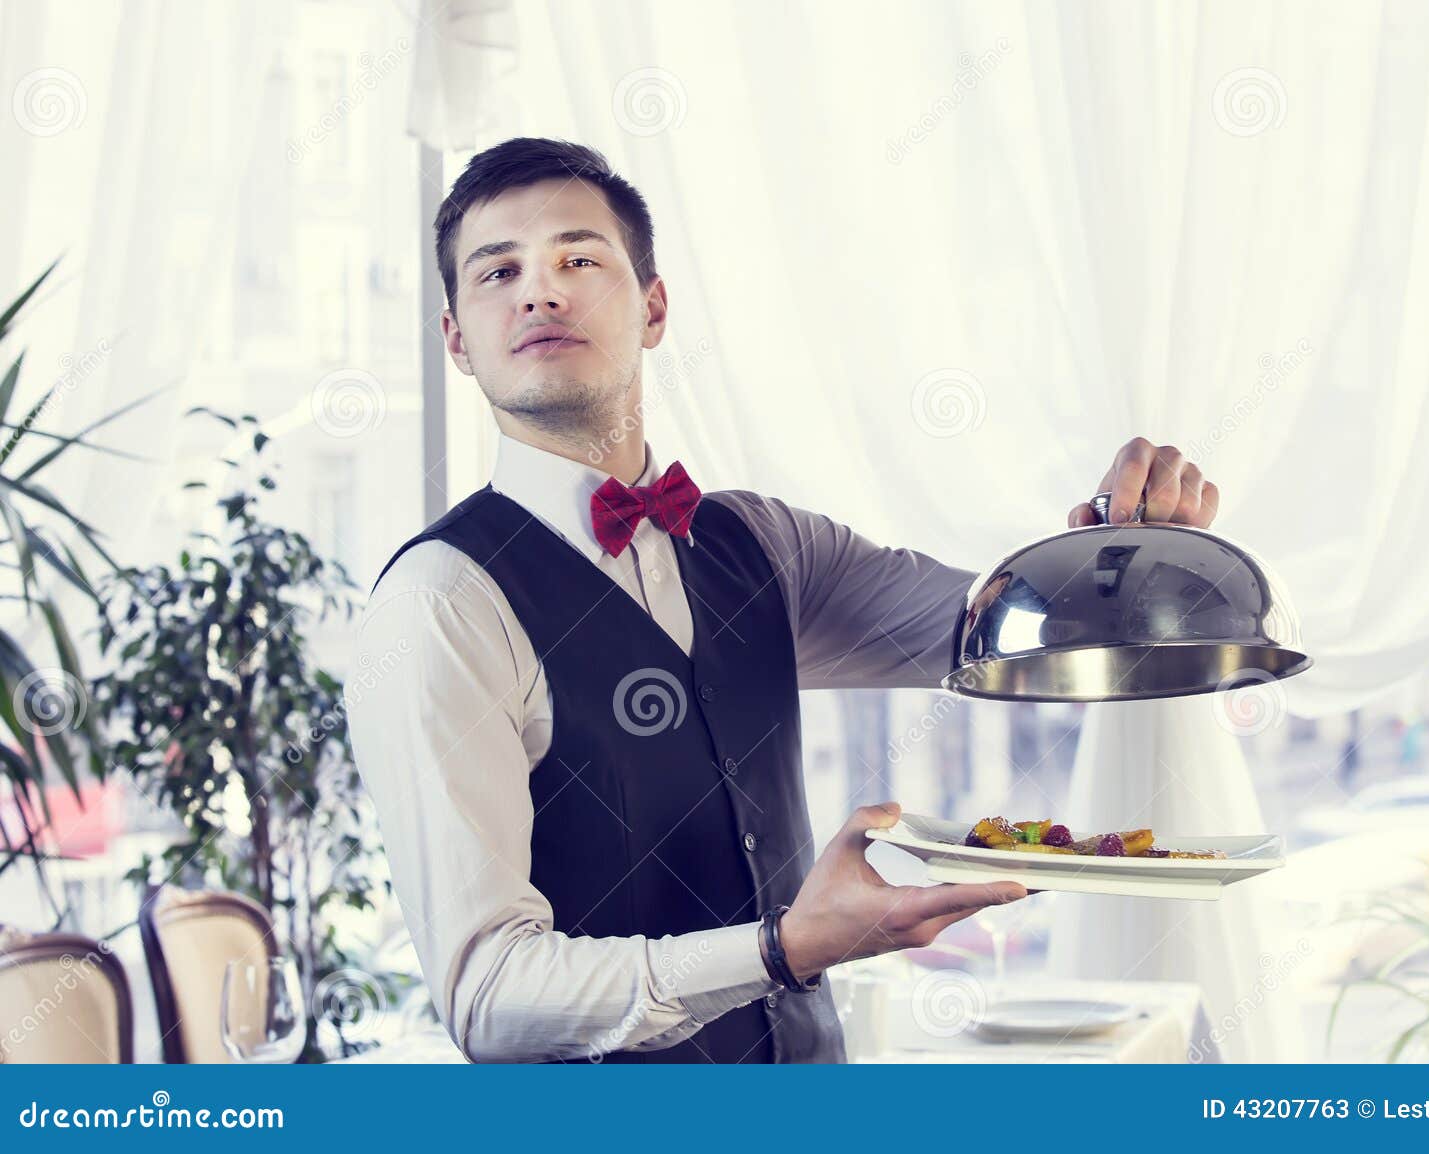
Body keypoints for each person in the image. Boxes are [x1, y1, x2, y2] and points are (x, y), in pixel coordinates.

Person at [347, 137, 1220, 1063]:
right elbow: (487, 998)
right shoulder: (441, 603)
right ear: (454, 338)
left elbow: (1011, 634)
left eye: (579, 259)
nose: (540, 291)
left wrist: (1125, 548)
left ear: (653, 307)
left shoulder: (765, 544)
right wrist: (782, 948)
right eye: (498, 272)